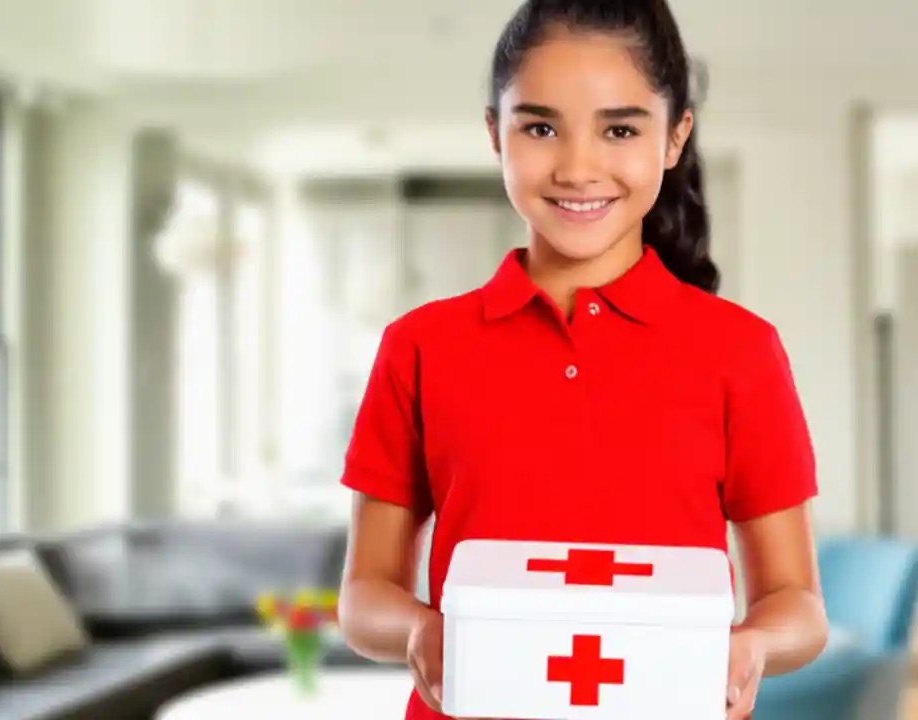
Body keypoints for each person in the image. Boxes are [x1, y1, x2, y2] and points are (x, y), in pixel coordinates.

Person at [338, 1, 829, 718]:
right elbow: (363, 595)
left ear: (674, 137)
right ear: (493, 134)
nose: (577, 167)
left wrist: (749, 645)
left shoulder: (740, 352)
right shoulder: (420, 347)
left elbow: (799, 605)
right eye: (540, 127)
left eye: (620, 130)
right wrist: (421, 630)